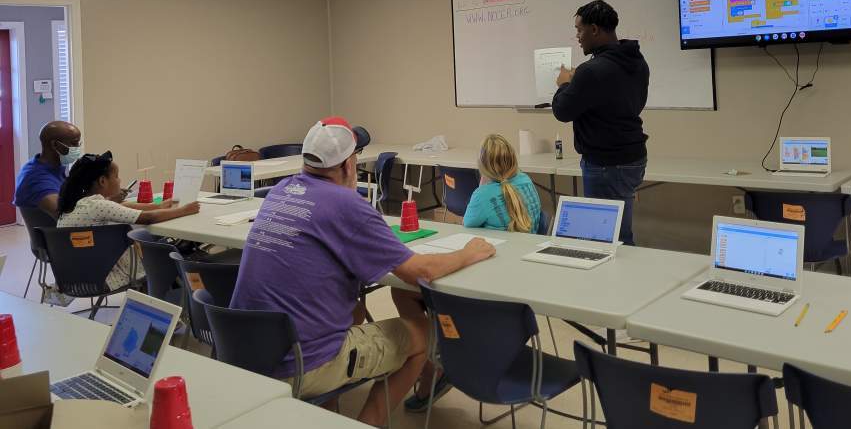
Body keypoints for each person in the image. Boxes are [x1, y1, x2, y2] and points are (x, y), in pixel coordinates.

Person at [231, 117, 496, 427]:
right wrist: (469, 253)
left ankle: (327, 415)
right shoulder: (346, 203)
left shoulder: (280, 191)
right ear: (348, 165)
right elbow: (419, 271)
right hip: (298, 365)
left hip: (244, 352)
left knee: (355, 309)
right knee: (425, 332)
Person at [552, 0, 649, 245]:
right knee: (620, 229)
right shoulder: (637, 62)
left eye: (579, 30)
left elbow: (562, 111)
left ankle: (622, 281)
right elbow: (630, 103)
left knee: (609, 238)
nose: (578, 36)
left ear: (594, 29)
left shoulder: (591, 71)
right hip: (633, 157)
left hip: (606, 164)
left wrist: (564, 82)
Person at [56, 151, 200, 291]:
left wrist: (157, 206)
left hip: (76, 276)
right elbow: (149, 218)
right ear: (102, 181)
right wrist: (185, 210)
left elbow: (117, 206)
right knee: (167, 253)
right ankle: (169, 300)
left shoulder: (75, 204)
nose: (119, 180)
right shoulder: (98, 206)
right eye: (117, 176)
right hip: (107, 277)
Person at [463, 134, 541, 233]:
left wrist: (482, 187)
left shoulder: (482, 195)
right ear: (513, 159)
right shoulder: (526, 179)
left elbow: (468, 224)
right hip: (532, 244)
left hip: (501, 247)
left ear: (482, 165)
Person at [14, 121, 83, 218]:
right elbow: (66, 217)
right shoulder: (36, 179)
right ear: (55, 144)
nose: (77, 148)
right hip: (60, 232)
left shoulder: (52, 168)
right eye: (74, 143)